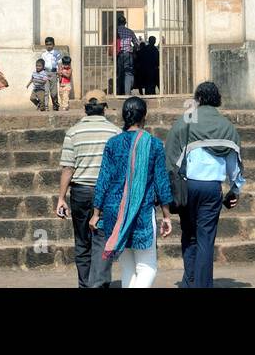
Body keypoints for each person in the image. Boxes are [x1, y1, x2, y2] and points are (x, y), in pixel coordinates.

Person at [165, 81, 244, 289]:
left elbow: (171, 156)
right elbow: (234, 166)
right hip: (212, 189)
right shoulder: (227, 126)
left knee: (189, 235)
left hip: (187, 187)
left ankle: (190, 281)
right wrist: (234, 190)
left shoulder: (187, 122)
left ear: (197, 99)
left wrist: (169, 186)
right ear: (217, 99)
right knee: (205, 239)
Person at [89, 96, 174, 288]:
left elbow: (103, 179)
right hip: (141, 213)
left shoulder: (113, 143)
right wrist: (166, 216)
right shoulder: (153, 144)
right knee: (148, 268)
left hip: (114, 213)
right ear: (144, 116)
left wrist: (96, 213)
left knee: (128, 268)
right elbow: (162, 182)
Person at [55, 89, 121, 287]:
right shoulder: (115, 132)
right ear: (104, 109)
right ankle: (99, 284)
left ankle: (85, 284)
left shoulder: (73, 132)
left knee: (82, 241)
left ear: (85, 109)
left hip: (81, 192)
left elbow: (68, 168)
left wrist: (61, 198)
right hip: (106, 194)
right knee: (102, 241)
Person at [113, 14, 139, 95]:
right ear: (125, 23)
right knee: (128, 73)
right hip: (128, 54)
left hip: (119, 54)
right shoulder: (130, 31)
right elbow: (136, 44)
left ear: (117, 23)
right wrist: (134, 52)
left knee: (120, 73)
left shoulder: (115, 31)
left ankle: (119, 92)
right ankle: (127, 93)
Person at [40, 36, 62, 111]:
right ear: (45, 45)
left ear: (53, 45)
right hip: (45, 73)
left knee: (54, 93)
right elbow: (41, 65)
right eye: (47, 44)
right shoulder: (43, 54)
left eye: (50, 44)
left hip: (53, 73)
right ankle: (46, 107)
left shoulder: (57, 53)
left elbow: (59, 63)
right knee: (46, 91)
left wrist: (59, 73)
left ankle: (55, 105)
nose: (49, 46)